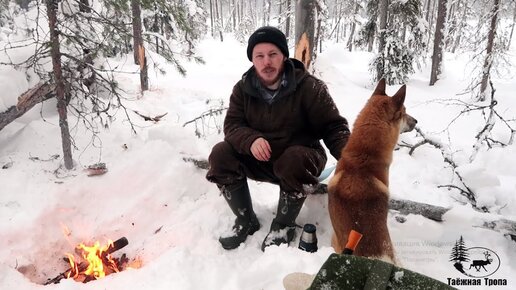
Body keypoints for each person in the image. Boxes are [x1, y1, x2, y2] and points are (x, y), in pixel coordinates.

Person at [206, 26, 350, 251]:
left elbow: (334, 127)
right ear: (252, 60)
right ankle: (246, 220)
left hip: (300, 161)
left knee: (294, 158)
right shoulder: (242, 89)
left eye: (272, 54)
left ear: (284, 55)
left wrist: (351, 159)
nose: (267, 62)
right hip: (261, 159)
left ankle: (284, 225)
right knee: (220, 154)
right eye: (259, 56)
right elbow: (233, 126)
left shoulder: (309, 87)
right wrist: (250, 140)